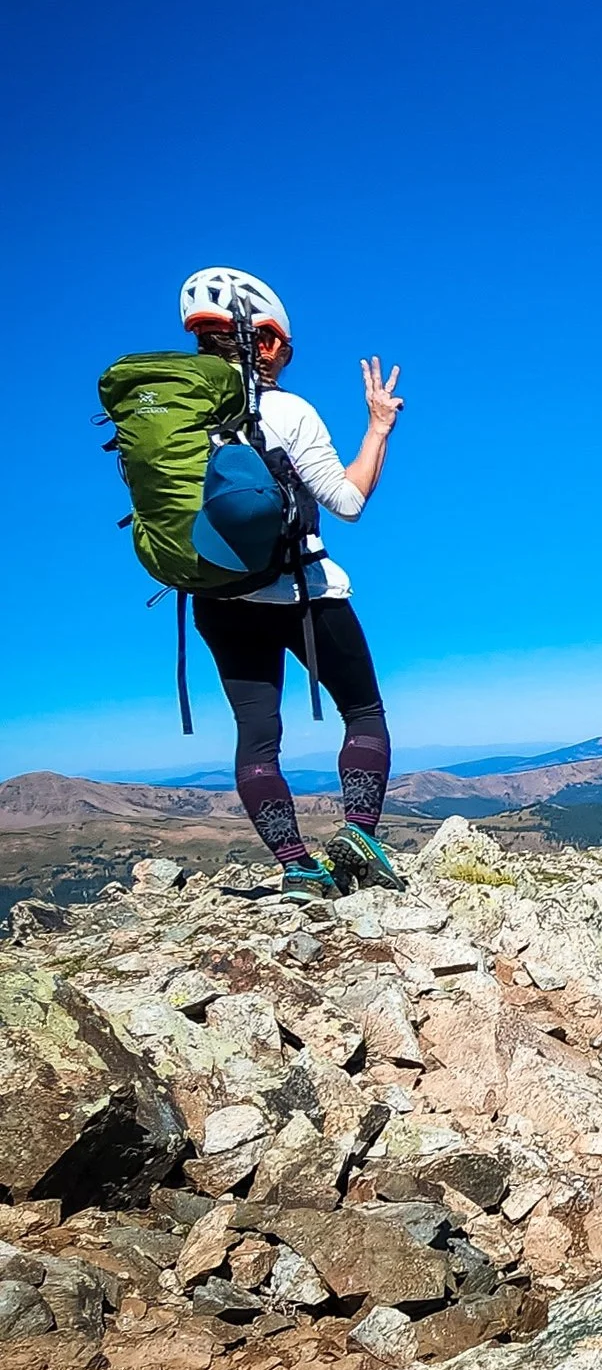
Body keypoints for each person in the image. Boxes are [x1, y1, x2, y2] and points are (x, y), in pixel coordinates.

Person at [175, 267, 406, 902]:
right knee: (363, 711)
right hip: (305, 594)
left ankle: (297, 868)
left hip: (219, 600)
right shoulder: (286, 411)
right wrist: (378, 428)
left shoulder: (176, 423)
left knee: (257, 739)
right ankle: (359, 836)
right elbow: (347, 502)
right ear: (269, 342)